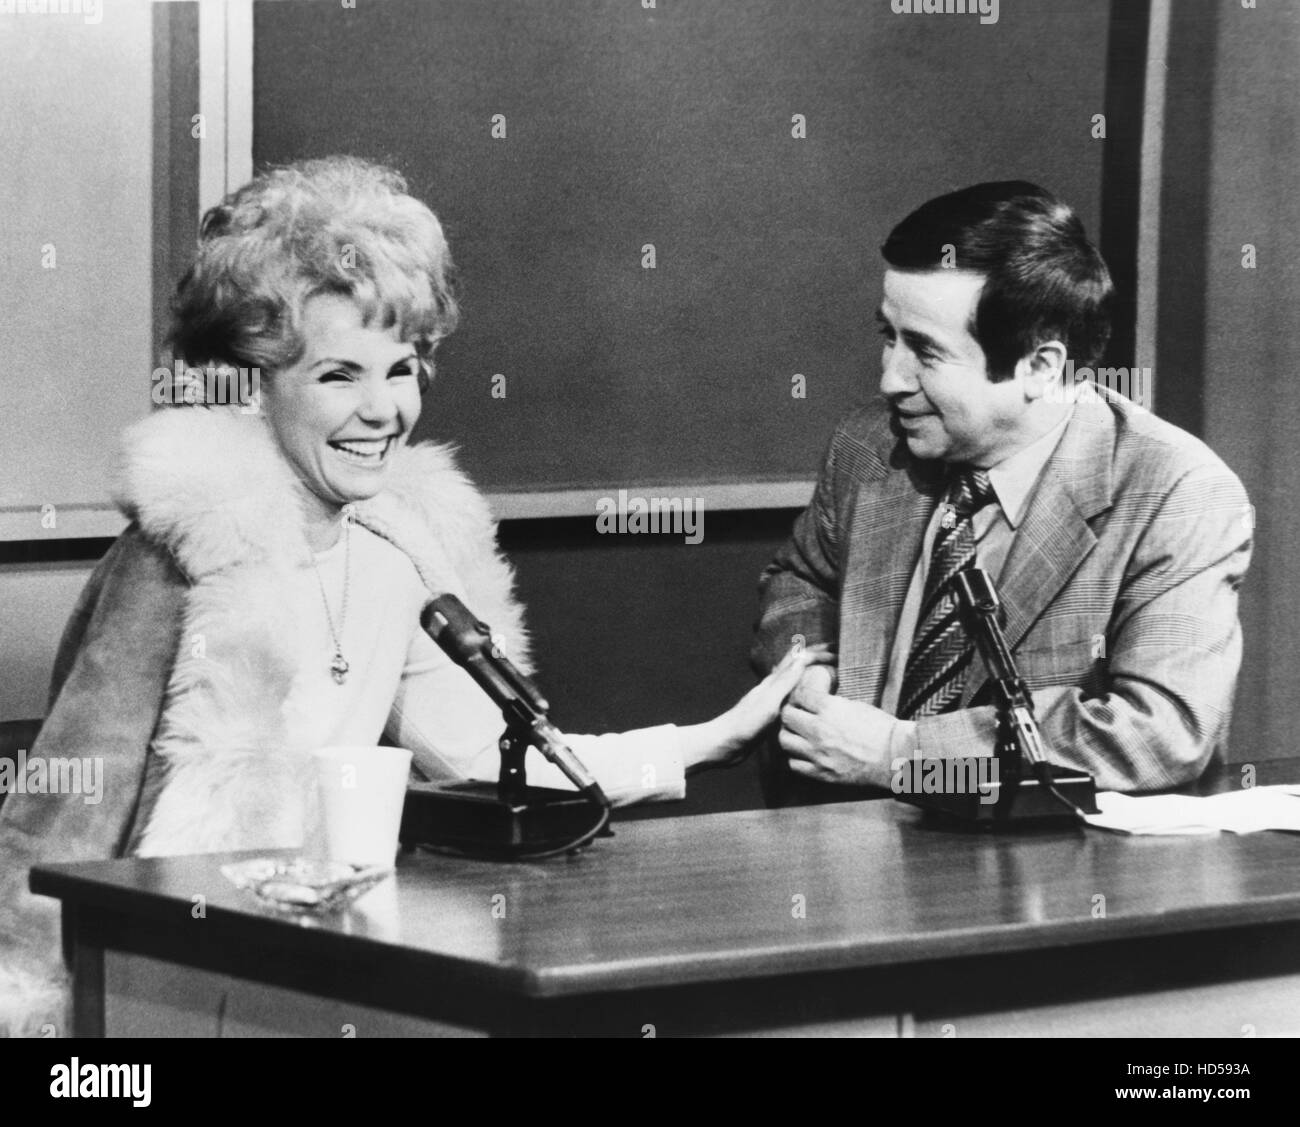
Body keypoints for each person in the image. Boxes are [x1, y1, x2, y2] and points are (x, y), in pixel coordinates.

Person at [0, 156, 818, 1036]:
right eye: (338, 375)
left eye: (402, 369)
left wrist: (702, 741)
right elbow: (58, 821)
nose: (383, 410)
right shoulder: (179, 553)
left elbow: (486, 757)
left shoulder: (403, 548)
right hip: (160, 984)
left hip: (316, 973)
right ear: (249, 381)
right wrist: (40, 1022)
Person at [753, 181, 1252, 799]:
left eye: (926, 353)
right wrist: (811, 674)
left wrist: (901, 758)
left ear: (1040, 368)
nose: (890, 380)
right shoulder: (867, 447)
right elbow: (801, 580)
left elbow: (1161, 733)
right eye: (889, 336)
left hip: (1046, 874)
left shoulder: (1178, 493)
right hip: (843, 844)